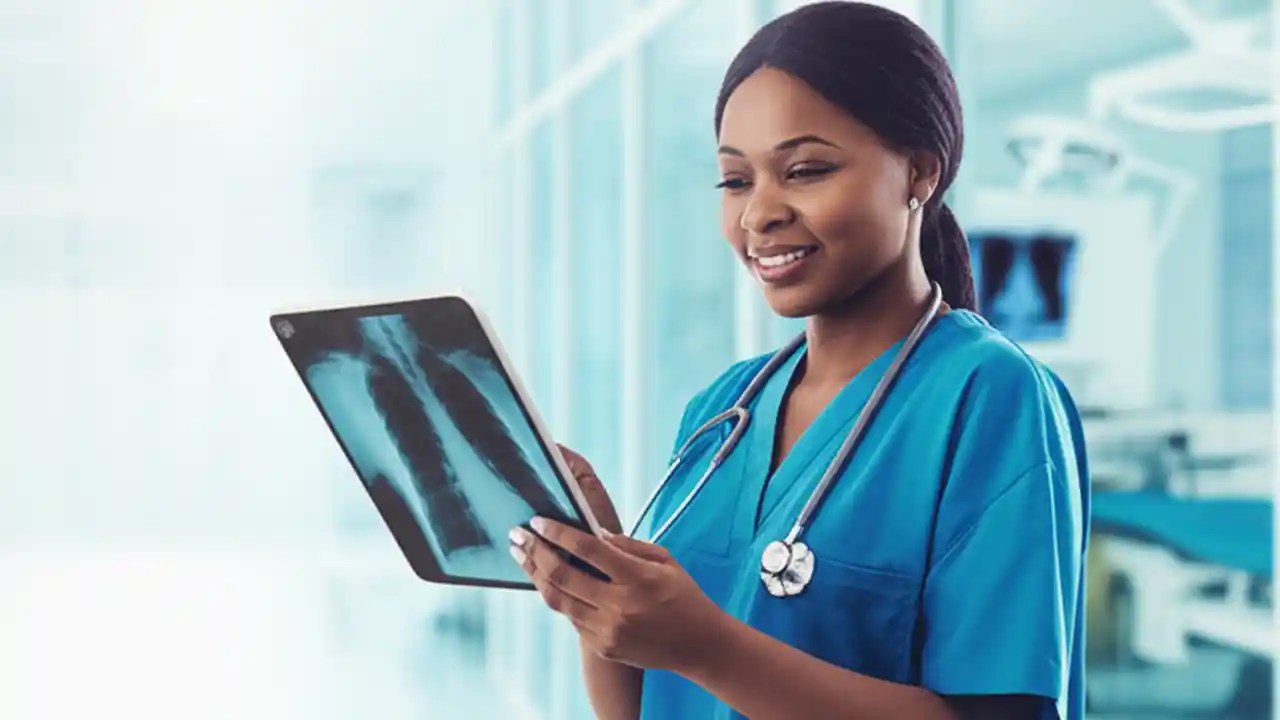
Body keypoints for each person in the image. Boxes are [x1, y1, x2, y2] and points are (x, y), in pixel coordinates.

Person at [504, 2, 1090, 719]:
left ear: (919, 172)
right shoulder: (723, 410)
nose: (759, 215)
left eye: (805, 170)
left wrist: (707, 646)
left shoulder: (989, 395)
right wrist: (594, 580)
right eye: (735, 181)